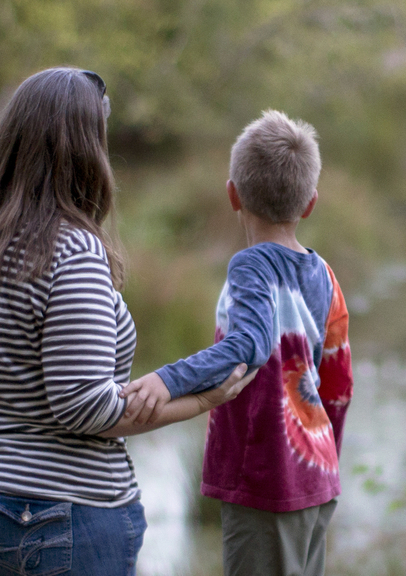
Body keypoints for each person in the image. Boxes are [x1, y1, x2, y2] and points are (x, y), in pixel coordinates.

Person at [0, 67, 256, 576]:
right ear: (88, 150)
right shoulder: (71, 250)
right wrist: (202, 399)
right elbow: (84, 408)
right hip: (47, 516)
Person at [122, 109, 353, 576]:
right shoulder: (325, 276)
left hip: (267, 479)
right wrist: (323, 462)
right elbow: (340, 383)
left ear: (232, 194)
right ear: (310, 203)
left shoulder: (251, 266)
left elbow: (248, 344)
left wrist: (168, 381)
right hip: (316, 476)